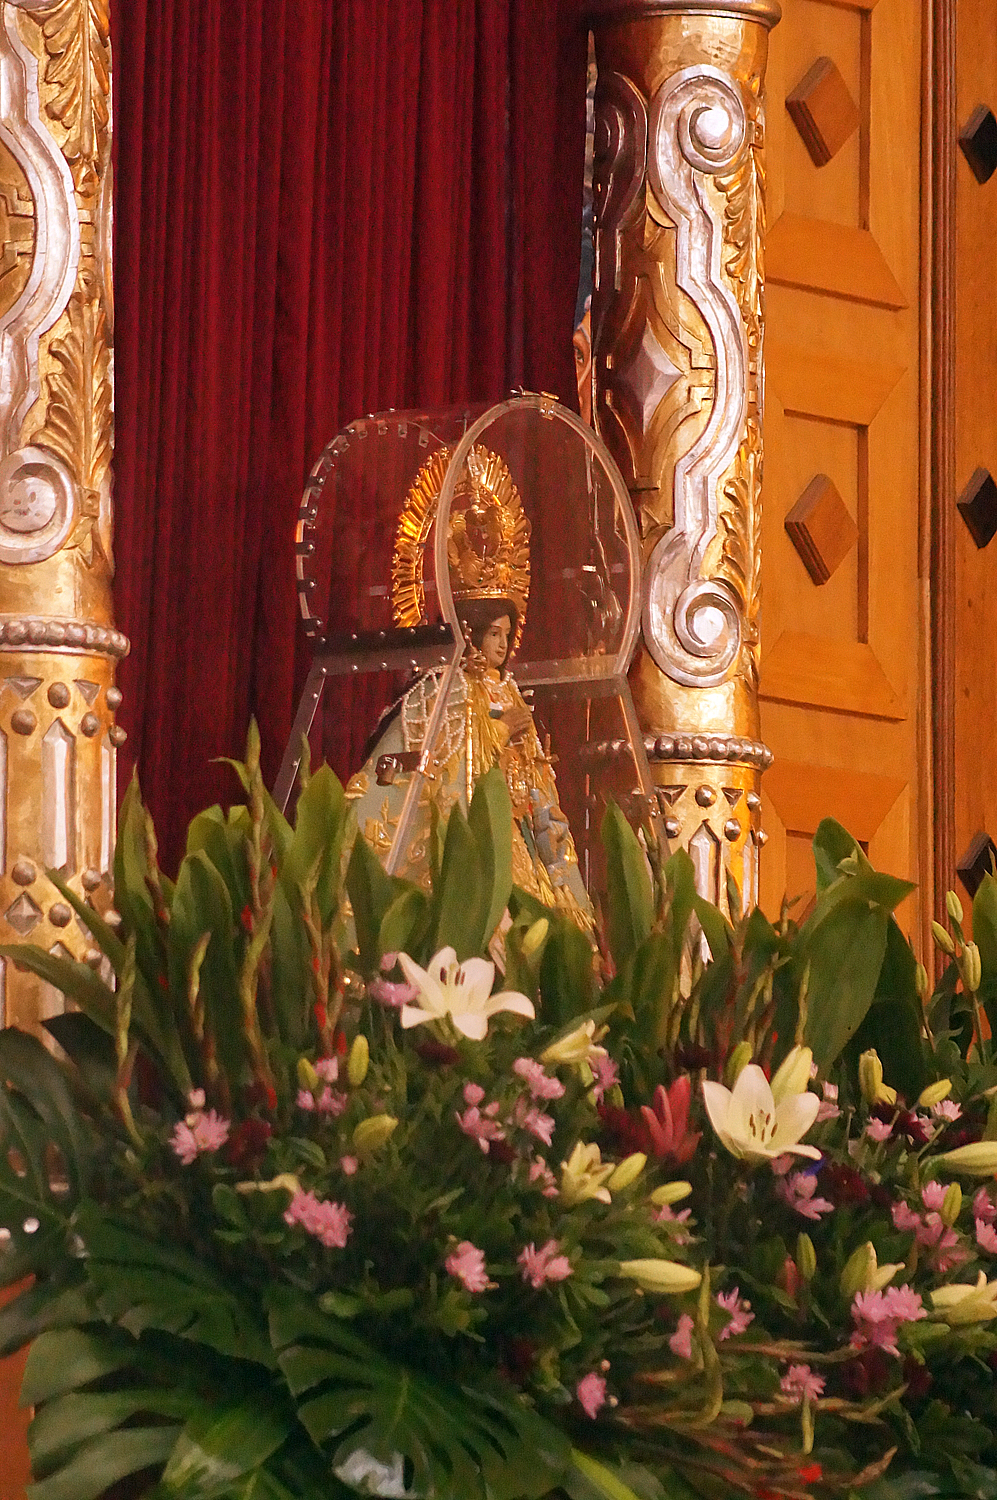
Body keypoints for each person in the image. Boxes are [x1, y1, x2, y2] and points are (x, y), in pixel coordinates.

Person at [345, 446, 591, 926]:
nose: (501, 645)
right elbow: (443, 772)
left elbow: (532, 779)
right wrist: (499, 735)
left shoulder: (511, 691)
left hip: (521, 829)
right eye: (492, 633)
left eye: (506, 633)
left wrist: (549, 829)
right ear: (472, 632)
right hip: (474, 836)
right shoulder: (443, 691)